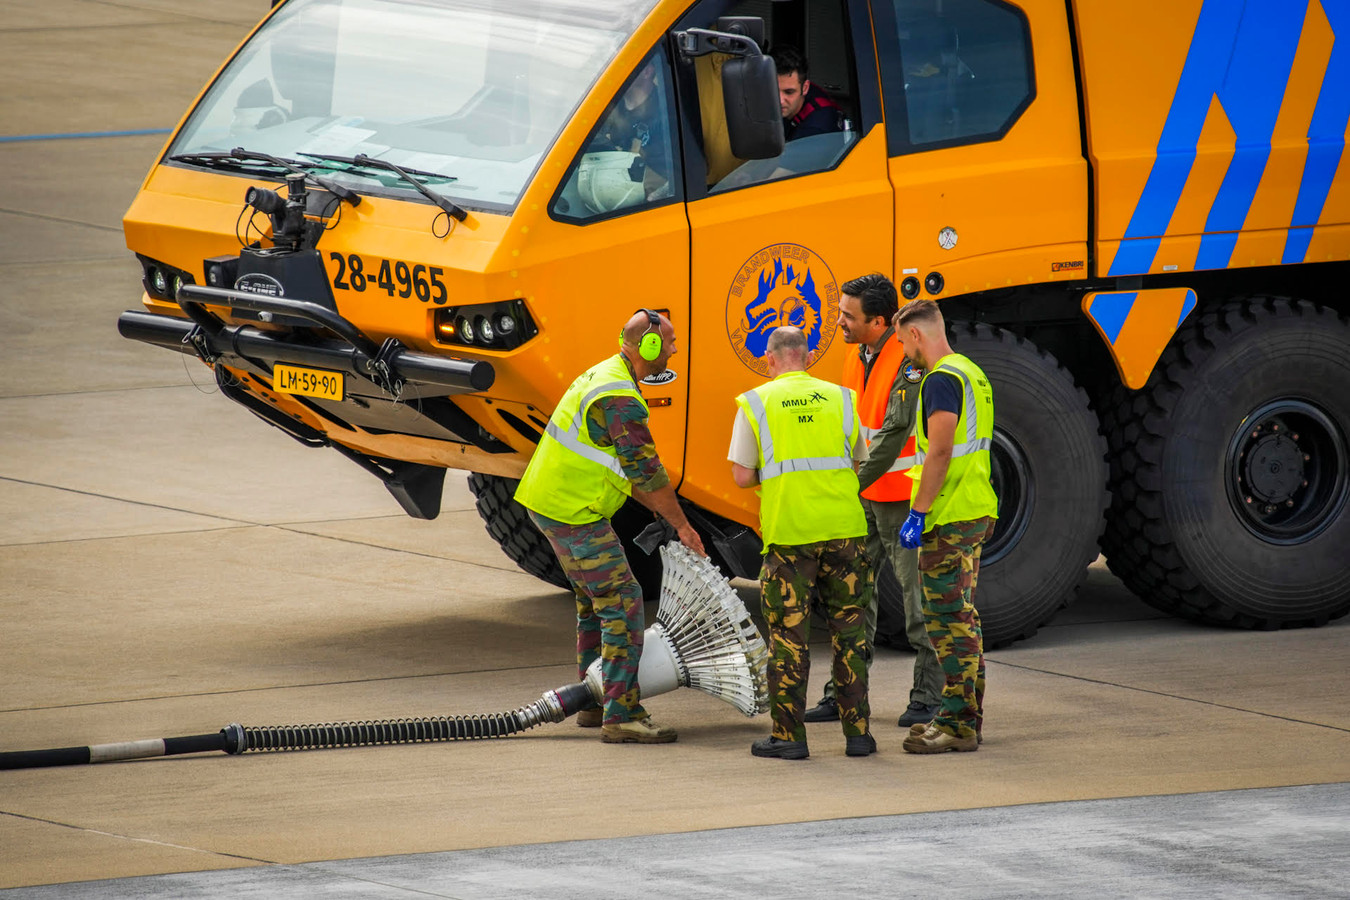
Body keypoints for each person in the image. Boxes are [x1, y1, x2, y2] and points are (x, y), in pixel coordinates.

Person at [515, 309, 706, 744]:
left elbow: (622, 469)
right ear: (649, 347)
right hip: (571, 512)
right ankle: (622, 713)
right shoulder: (620, 398)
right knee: (622, 603)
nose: (675, 349)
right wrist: (683, 526)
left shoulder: (606, 374)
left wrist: (663, 514)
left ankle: (594, 699)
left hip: (553, 504)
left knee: (594, 601)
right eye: (670, 343)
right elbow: (648, 472)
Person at [729, 326, 875, 760]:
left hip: (790, 535)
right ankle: (859, 736)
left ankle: (789, 738)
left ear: (770, 359)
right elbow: (857, 460)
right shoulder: (843, 399)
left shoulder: (756, 402)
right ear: (807, 356)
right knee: (849, 634)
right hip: (845, 532)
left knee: (788, 638)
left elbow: (741, 475)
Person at [803, 274, 942, 731]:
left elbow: (896, 430)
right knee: (850, 599)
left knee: (917, 601)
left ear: (878, 321)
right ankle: (843, 695)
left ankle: (928, 698)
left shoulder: (908, 360)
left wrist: (854, 480)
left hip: (901, 500)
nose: (838, 320)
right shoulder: (853, 354)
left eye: (848, 315)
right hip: (865, 497)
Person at [892, 299, 998, 754]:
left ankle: (956, 725)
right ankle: (964, 717)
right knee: (964, 618)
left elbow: (939, 450)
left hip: (949, 514)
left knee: (948, 622)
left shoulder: (940, 379)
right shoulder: (972, 371)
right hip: (974, 507)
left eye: (901, 342)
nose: (903, 353)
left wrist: (917, 512)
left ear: (916, 335)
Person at [771, 46, 844, 142]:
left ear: (805, 88)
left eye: (789, 92)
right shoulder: (795, 84)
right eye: (773, 90)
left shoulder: (816, 127)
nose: (780, 100)